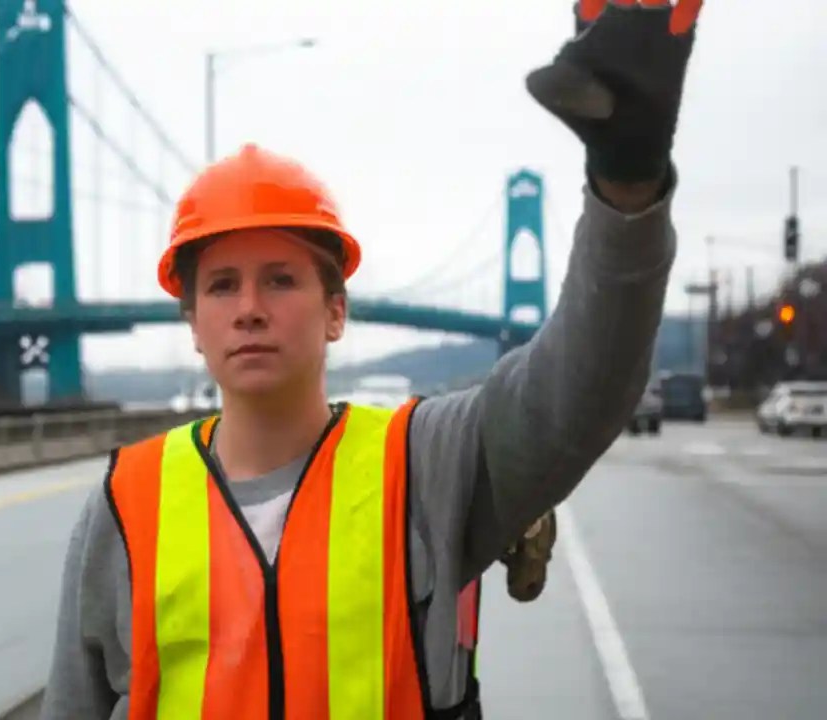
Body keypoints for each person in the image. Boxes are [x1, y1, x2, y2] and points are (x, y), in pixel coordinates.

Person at [41, 1, 702, 717]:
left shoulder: (423, 468)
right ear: (193, 322)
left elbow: (581, 389)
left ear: (336, 311)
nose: (250, 307)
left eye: (281, 279)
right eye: (222, 285)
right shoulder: (123, 508)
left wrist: (626, 185)